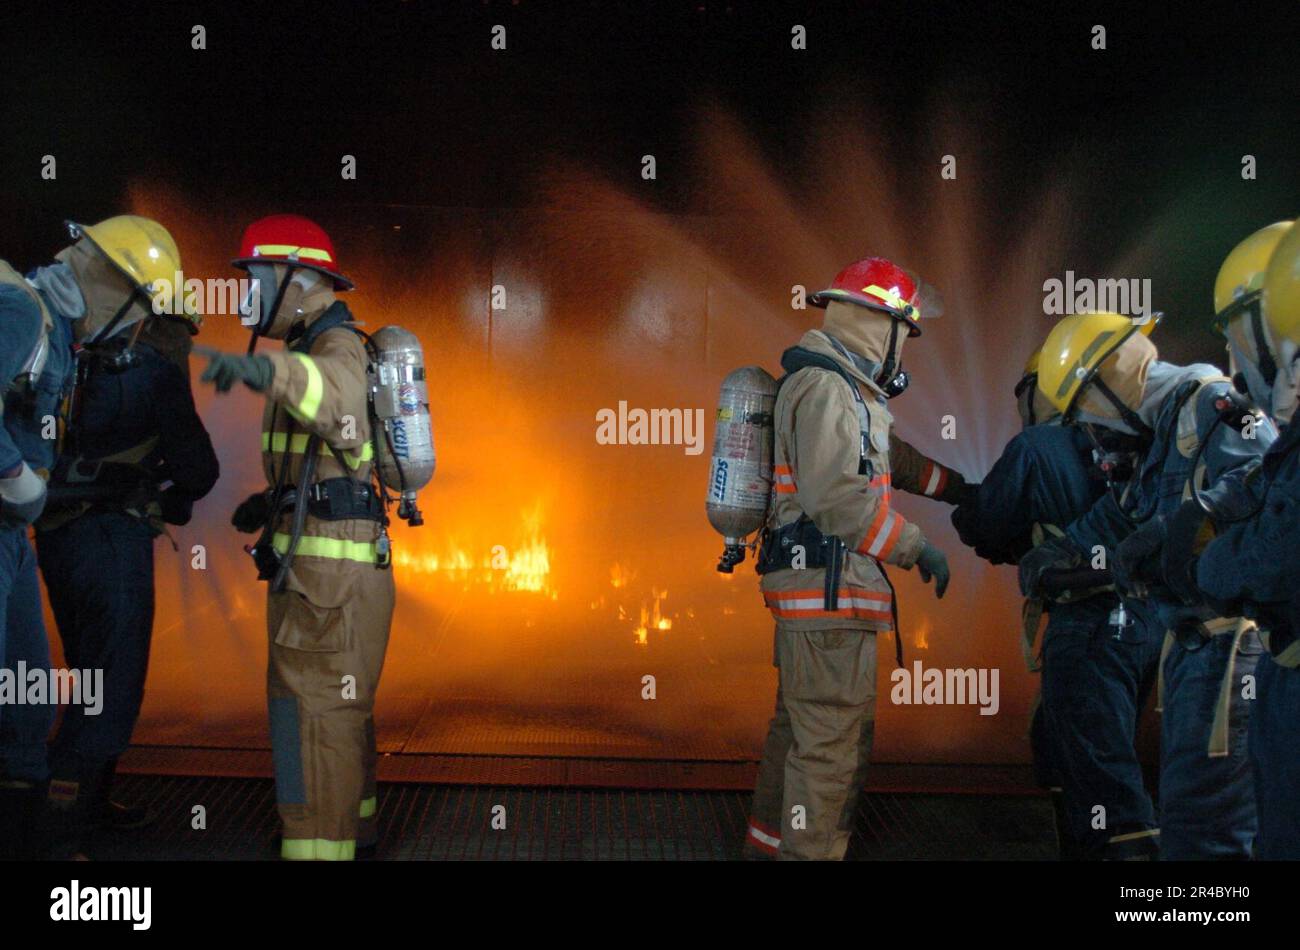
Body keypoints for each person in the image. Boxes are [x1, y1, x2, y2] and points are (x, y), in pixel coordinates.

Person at [1021, 310, 1275, 860]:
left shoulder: (1209, 405)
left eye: (1088, 419)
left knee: (1207, 829)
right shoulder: (1162, 438)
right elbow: (1115, 520)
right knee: (1192, 821)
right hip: (1194, 648)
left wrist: (1187, 524)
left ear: (1109, 388)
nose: (1092, 437)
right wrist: (1057, 552)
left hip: (1232, 647)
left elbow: (1266, 481)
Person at [744, 256, 968, 860]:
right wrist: (917, 548)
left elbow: (887, 457)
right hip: (828, 605)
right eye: (906, 333)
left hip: (821, 604)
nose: (907, 352)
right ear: (883, 327)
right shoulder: (825, 387)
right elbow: (838, 497)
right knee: (829, 755)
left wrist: (960, 490)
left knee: (801, 736)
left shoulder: (840, 388)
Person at [198, 214, 394, 861]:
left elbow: (338, 406)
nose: (247, 291)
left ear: (298, 278)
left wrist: (265, 373)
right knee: (328, 720)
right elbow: (332, 463)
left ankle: (316, 851)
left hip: (324, 594)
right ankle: (355, 835)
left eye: (256, 276)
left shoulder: (332, 352)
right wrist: (271, 501)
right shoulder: (311, 348)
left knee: (308, 726)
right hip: (319, 587)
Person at [33, 216, 218, 859]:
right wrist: (176, 499)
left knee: (87, 676)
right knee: (112, 687)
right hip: (115, 542)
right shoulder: (154, 372)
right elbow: (200, 468)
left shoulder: (63, 351)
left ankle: (85, 803)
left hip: (56, 537)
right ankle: (62, 835)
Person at [951, 343, 1161, 859]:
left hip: (1086, 625)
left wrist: (995, 524)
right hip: (1145, 624)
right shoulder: (1148, 445)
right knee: (1075, 752)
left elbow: (984, 525)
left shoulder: (1038, 447)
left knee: (1101, 783)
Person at [1137, 221, 1300, 857]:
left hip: (1245, 654)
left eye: (1243, 340)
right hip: (1261, 660)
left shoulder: (1199, 410)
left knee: (1215, 839)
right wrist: (1196, 519)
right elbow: (1267, 482)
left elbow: (1280, 547)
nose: (1238, 372)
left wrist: (1208, 560)